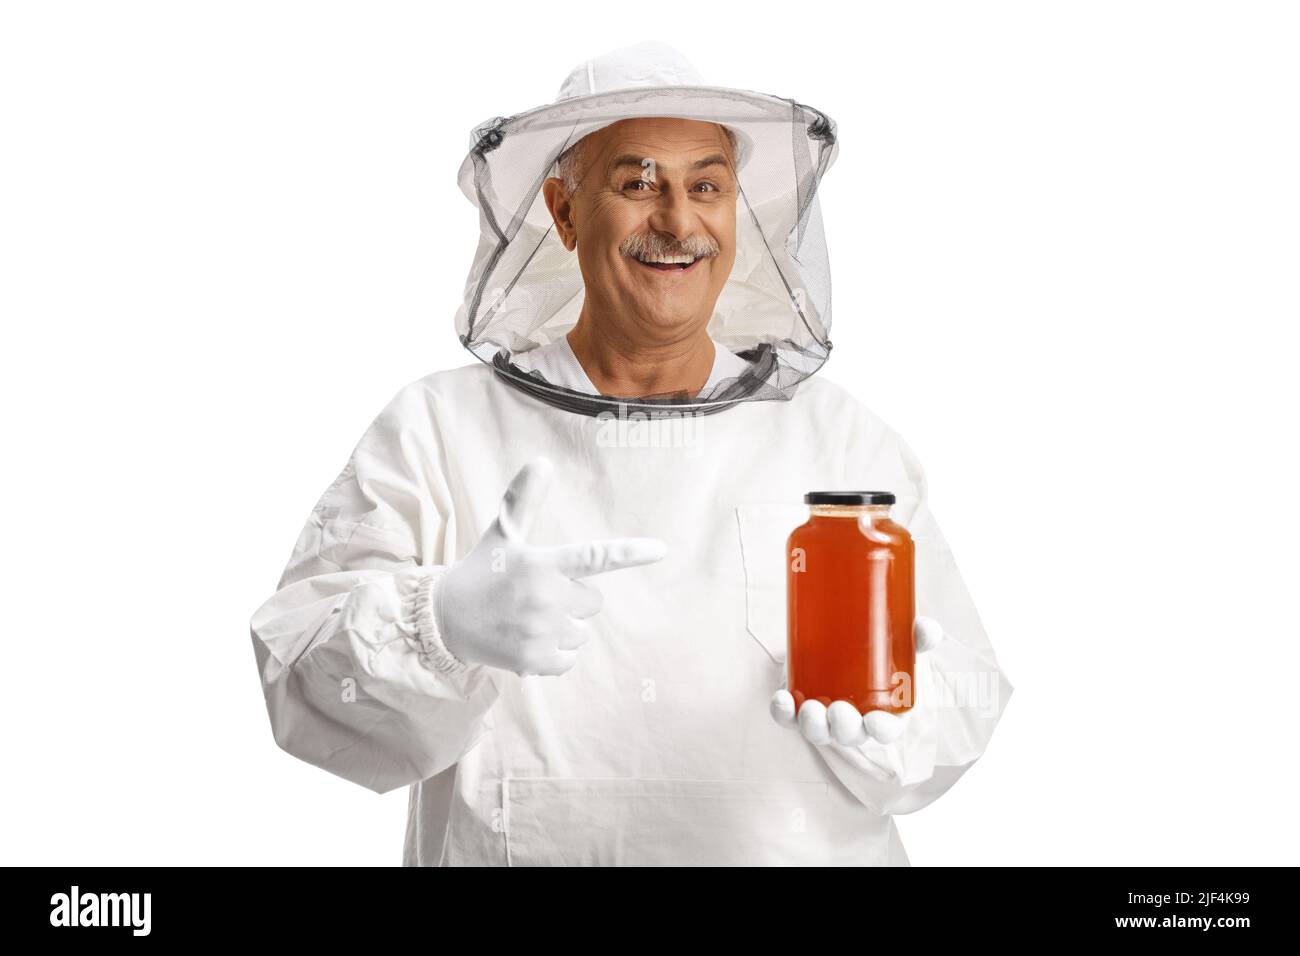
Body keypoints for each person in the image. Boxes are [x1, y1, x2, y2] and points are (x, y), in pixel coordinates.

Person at [249, 41, 1013, 866]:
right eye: (639, 183)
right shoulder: (438, 429)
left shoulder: (842, 441)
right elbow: (301, 691)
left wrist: (899, 715)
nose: (679, 223)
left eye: (707, 187)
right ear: (564, 211)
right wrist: (439, 622)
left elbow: (961, 710)